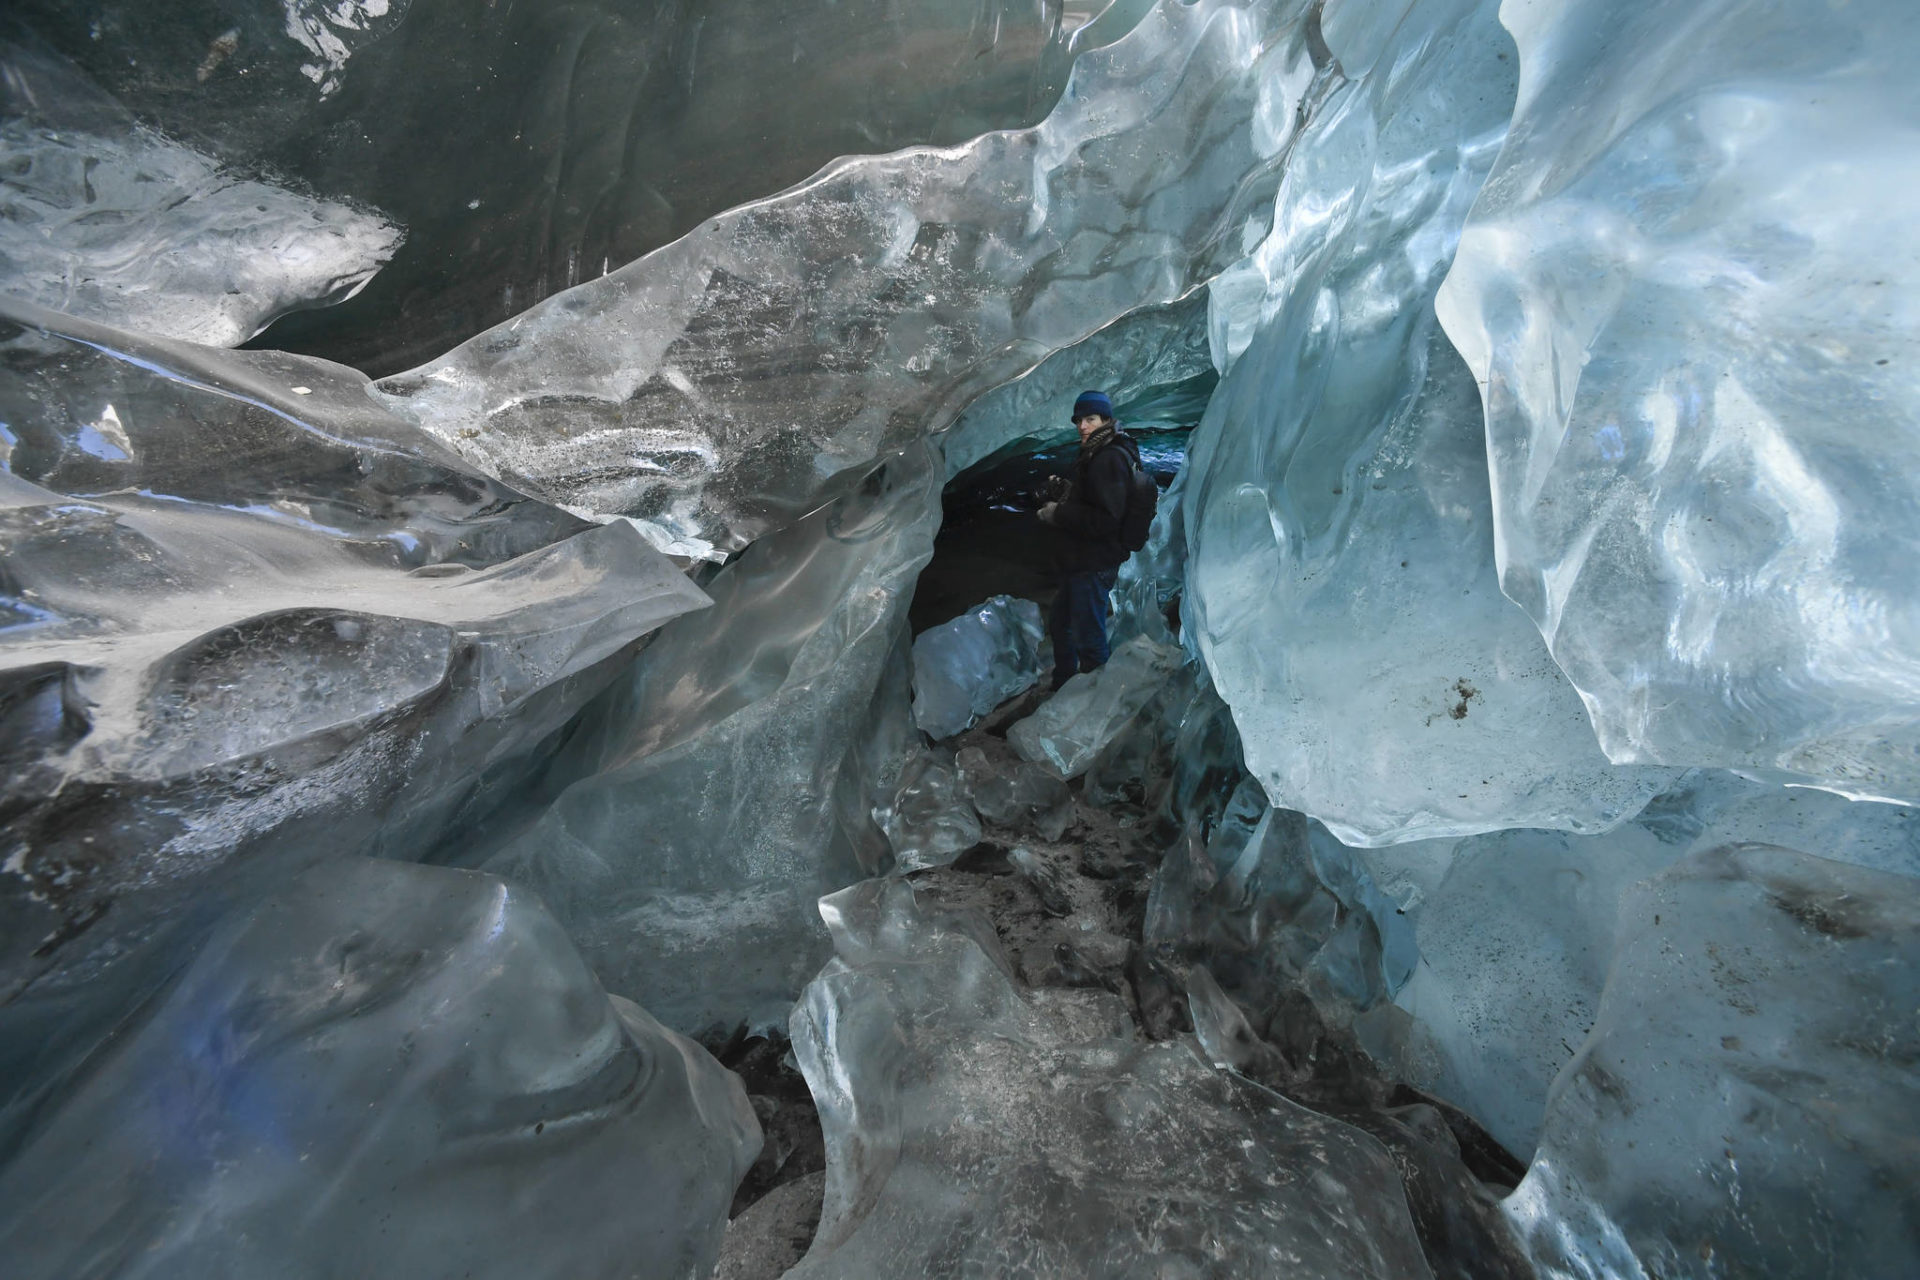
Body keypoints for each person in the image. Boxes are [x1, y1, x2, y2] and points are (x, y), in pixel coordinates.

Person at [1036, 389, 1140, 690]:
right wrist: (1068, 491)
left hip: (1094, 563)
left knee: (1089, 638)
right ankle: (1064, 685)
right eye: (1079, 420)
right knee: (1061, 624)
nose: (1082, 426)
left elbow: (1107, 519)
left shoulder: (1109, 458)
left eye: (1090, 419)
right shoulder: (1097, 452)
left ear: (1105, 419)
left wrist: (1058, 514)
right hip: (1081, 560)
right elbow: (1095, 501)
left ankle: (1095, 705)